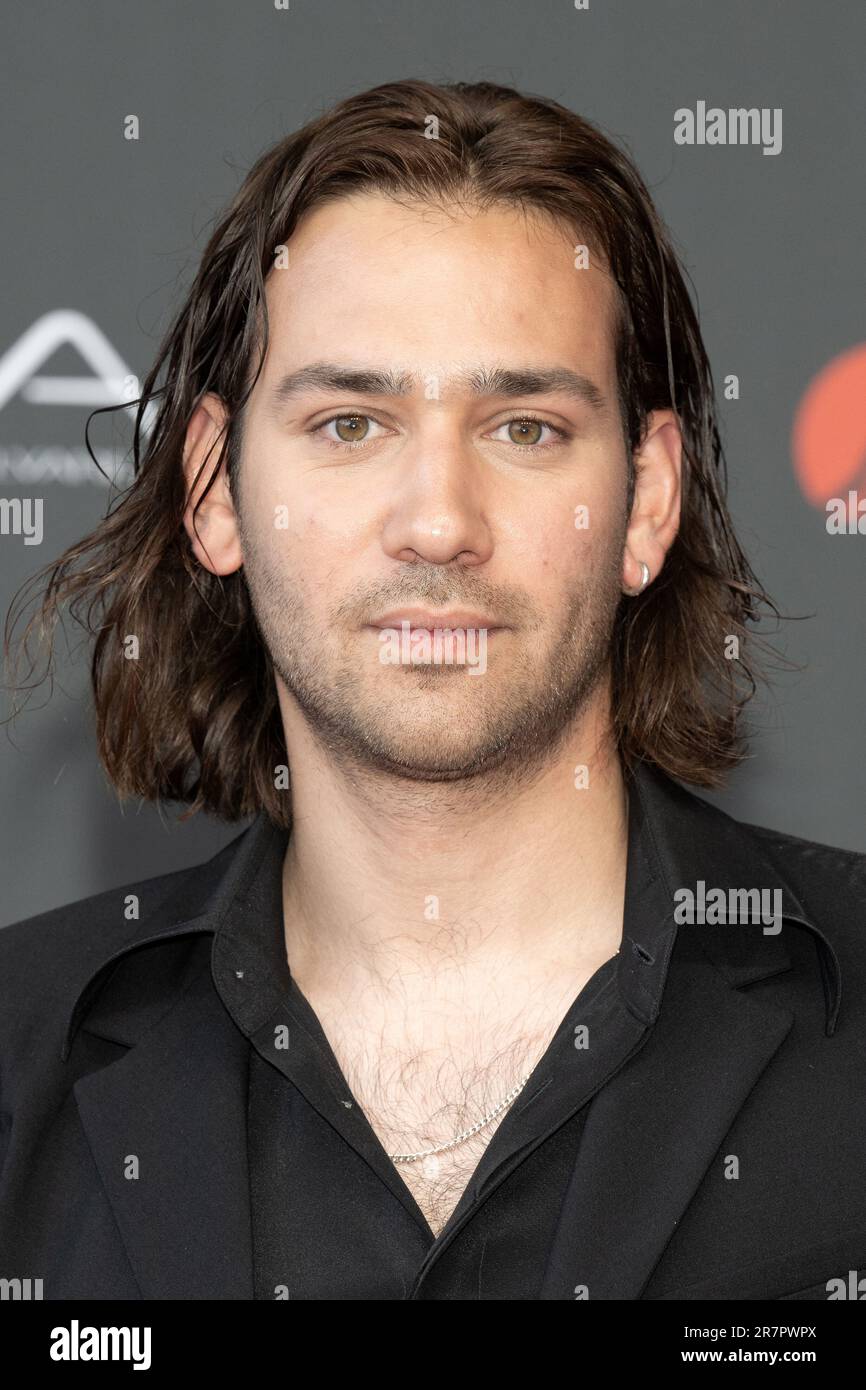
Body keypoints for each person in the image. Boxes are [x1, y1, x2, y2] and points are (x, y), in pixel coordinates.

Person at [1, 78, 863, 1301]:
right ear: (213, 492)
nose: (438, 523)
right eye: (351, 424)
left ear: (647, 500)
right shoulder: (18, 1060)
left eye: (523, 428)